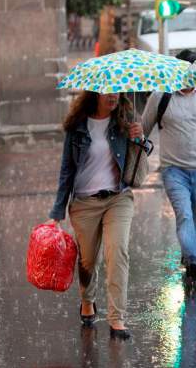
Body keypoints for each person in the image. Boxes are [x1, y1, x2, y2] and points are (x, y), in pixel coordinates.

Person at [48, 91, 144, 340]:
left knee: (117, 252)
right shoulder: (77, 126)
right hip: (84, 203)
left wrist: (138, 139)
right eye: (107, 92)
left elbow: (137, 164)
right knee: (88, 260)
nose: (113, 96)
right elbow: (66, 170)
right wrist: (56, 213)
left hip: (118, 198)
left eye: (117, 91)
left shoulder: (124, 120)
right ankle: (87, 299)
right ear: (95, 94)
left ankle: (117, 319)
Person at [139, 49, 196, 283]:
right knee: (185, 216)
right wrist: (134, 146)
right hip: (173, 170)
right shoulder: (161, 96)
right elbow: (143, 129)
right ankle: (192, 261)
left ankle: (190, 253)